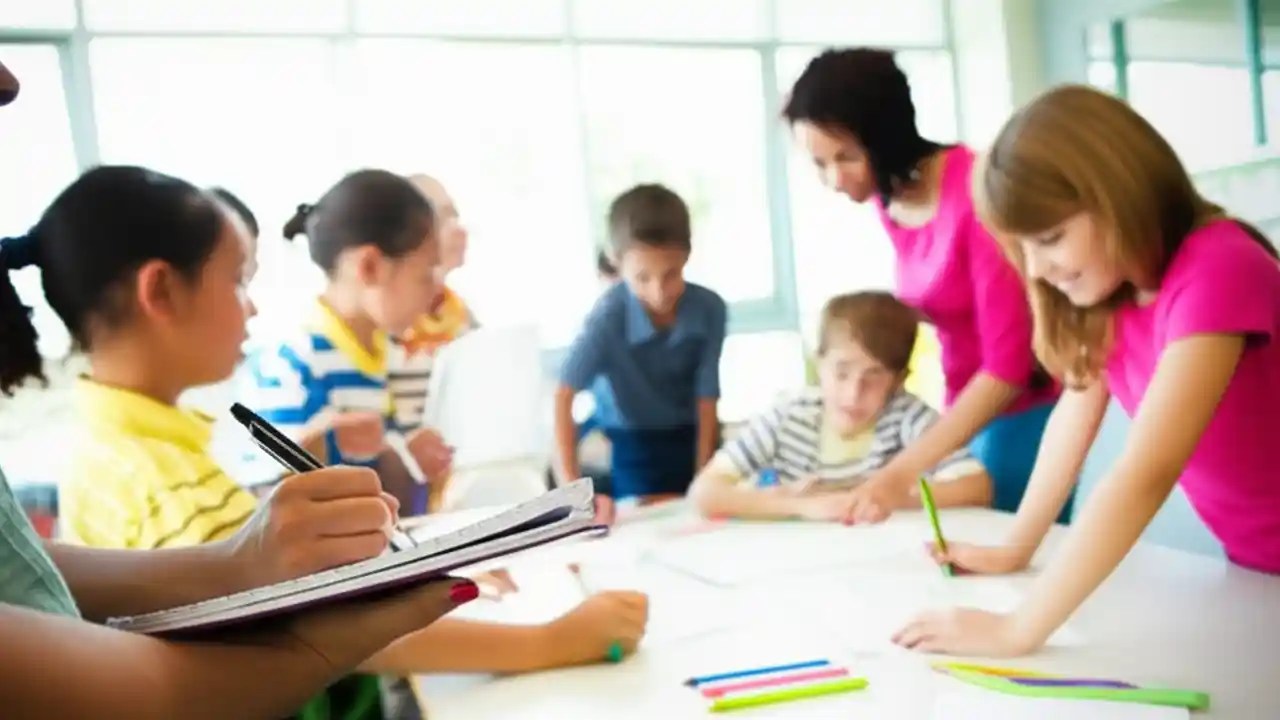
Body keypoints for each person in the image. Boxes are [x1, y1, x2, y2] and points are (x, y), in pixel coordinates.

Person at [0, 64, 469, 712]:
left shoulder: (153, 446)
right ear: (161, 290)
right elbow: (237, 655)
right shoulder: (145, 474)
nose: (252, 309)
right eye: (238, 280)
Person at [892, 84, 1280, 657]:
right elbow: (1072, 422)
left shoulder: (1218, 267)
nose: (1037, 268)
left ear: (1119, 196)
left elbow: (1144, 473)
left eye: (1050, 238)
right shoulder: (1111, 298)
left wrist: (1017, 628)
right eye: (1021, 247)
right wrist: (1018, 546)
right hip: (1258, 570)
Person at [784, 48, 1061, 522]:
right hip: (961, 411)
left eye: (846, 157)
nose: (834, 179)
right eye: (819, 162)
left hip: (1024, 412)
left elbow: (1008, 366)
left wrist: (896, 473)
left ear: (884, 137)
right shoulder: (888, 200)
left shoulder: (975, 191)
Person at [239, 170, 454, 517]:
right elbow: (275, 507)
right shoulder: (291, 363)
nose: (437, 291)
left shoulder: (392, 355)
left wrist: (410, 463)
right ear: (369, 266)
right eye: (426, 274)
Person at [689, 292, 990, 520]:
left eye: (873, 377)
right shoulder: (789, 416)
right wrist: (801, 507)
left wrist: (893, 498)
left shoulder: (906, 417)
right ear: (819, 363)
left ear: (899, 381)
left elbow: (979, 488)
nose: (853, 393)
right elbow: (704, 493)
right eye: (841, 372)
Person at [555, 184, 728, 524]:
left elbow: (707, 399)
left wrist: (705, 480)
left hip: (696, 435)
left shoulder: (709, 308)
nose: (658, 291)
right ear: (618, 265)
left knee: (705, 521)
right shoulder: (607, 317)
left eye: (671, 274)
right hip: (635, 445)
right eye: (642, 277)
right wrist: (570, 493)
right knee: (644, 526)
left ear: (687, 256)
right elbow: (563, 394)